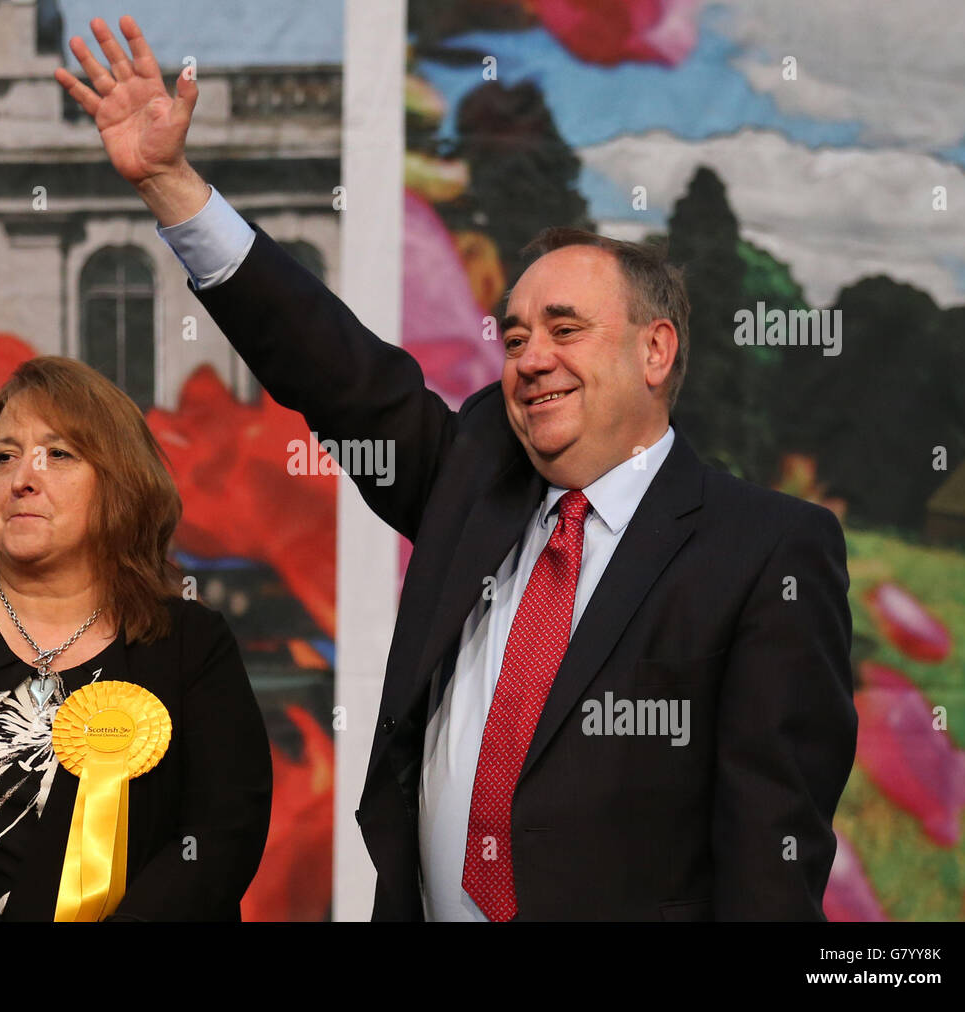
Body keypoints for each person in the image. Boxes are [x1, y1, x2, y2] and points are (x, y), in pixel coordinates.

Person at [56, 17, 857, 921]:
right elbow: (338, 371)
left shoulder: (764, 550)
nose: (530, 357)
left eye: (565, 329)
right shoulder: (474, 480)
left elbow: (769, 859)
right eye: (514, 335)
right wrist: (172, 187)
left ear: (656, 350)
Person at [0, 355, 272, 920]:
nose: (21, 478)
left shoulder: (190, 645)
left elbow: (221, 836)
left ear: (120, 484)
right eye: (4, 457)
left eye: (58, 455)